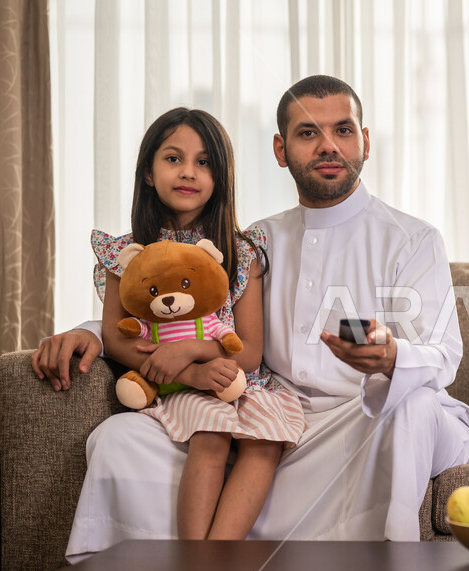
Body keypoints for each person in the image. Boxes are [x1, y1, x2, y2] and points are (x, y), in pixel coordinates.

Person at [35, 75, 469, 557]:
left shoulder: (412, 239)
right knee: (120, 437)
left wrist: (391, 357)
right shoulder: (255, 241)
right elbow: (189, 306)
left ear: (366, 142)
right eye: (308, 133)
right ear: (280, 149)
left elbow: (442, 355)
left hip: (365, 417)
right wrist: (92, 334)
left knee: (411, 405)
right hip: (272, 417)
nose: (328, 146)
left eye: (343, 130)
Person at [87, 108, 306, 541]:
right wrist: (190, 373)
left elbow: (250, 352)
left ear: (220, 177)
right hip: (177, 386)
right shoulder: (128, 255)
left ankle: (217, 557)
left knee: (266, 442)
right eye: (173, 158)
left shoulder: (241, 253)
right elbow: (114, 337)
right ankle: (197, 562)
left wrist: (193, 348)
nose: (188, 172)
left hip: (238, 380)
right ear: (148, 172)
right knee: (213, 433)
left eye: (204, 162)